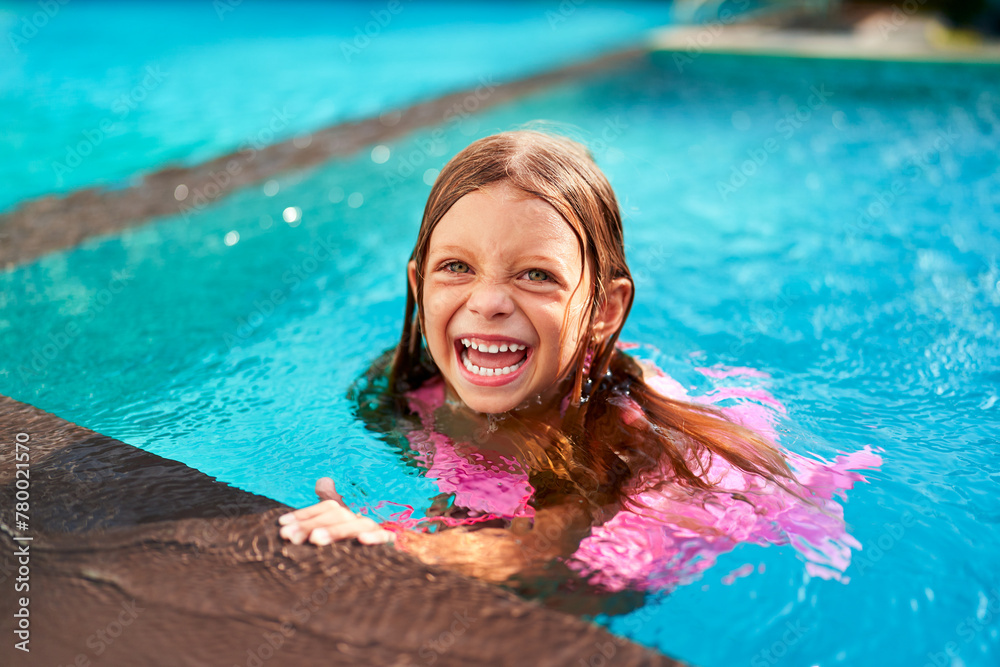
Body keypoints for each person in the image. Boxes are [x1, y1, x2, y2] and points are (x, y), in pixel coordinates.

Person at [278, 129, 879, 592]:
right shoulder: (403, 386)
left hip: (634, 524)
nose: (486, 302)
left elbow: (532, 551)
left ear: (604, 310)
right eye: (456, 267)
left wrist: (397, 546)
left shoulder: (620, 436)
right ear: (418, 284)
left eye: (536, 275)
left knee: (578, 592)